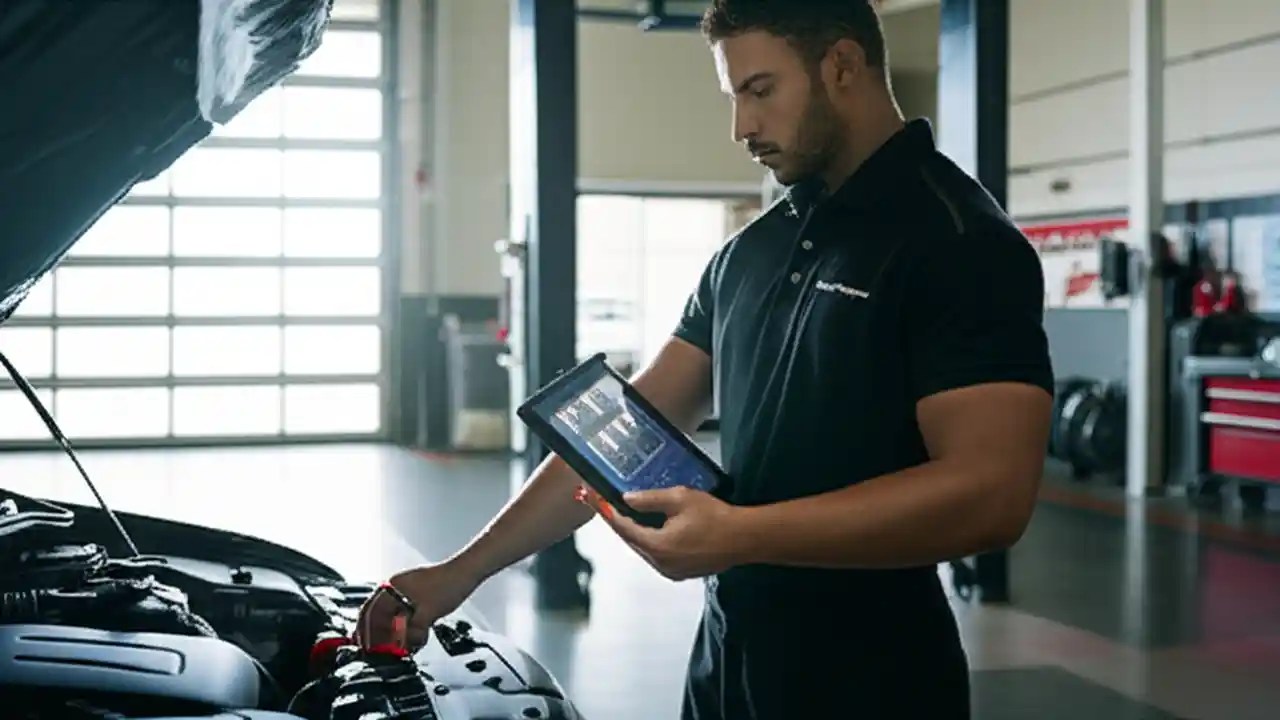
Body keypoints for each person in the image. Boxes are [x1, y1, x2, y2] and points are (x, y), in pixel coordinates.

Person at [358, 0, 1055, 717]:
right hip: (726, 667)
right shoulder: (749, 254)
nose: (741, 127)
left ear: (842, 65)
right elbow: (620, 435)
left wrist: (742, 535)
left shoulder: (960, 242)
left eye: (760, 91)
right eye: (735, 97)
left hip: (873, 678)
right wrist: (458, 575)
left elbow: (991, 495)